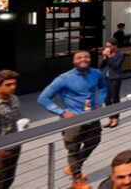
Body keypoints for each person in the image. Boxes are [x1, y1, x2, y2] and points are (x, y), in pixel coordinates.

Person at [38, 51, 107, 189]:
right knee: (73, 150)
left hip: (92, 117)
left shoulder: (96, 73)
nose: (83, 59)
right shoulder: (63, 78)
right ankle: (77, 180)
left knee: (94, 141)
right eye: (79, 58)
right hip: (73, 121)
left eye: (86, 57)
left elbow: (103, 86)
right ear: (74, 61)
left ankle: (74, 167)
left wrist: (100, 102)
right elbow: (43, 98)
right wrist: (61, 112)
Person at [0, 70, 20, 189]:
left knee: (8, 181)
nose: (13, 87)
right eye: (8, 85)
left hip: (14, 148)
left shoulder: (14, 99)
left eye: (14, 83)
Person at [100, 38, 125, 128]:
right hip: (105, 78)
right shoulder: (107, 54)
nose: (108, 48)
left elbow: (116, 66)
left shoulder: (121, 54)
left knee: (115, 98)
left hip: (115, 78)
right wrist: (104, 58)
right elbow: (101, 66)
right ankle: (110, 117)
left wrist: (110, 57)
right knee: (107, 99)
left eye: (110, 46)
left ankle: (116, 117)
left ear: (115, 46)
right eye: (107, 46)